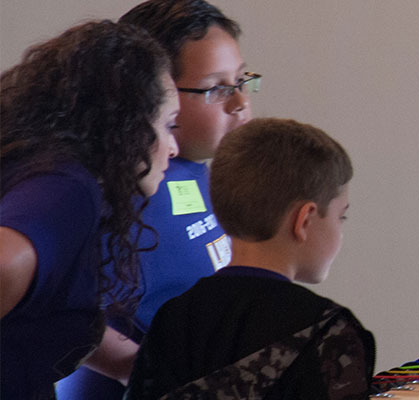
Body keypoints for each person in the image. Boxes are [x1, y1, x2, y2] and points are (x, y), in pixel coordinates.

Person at [58, 1, 255, 397]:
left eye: (242, 80)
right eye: (217, 89)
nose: (240, 102)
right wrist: (136, 367)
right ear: (149, 91)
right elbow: (60, 303)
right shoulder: (115, 188)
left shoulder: (200, 170)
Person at [124, 118, 374, 399]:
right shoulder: (331, 332)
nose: (341, 230)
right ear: (304, 220)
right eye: (341, 217)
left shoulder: (172, 319)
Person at [0, 20, 179, 400]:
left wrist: (141, 367)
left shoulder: (39, 168)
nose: (173, 147)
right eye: (168, 125)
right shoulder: (67, 190)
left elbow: (34, 318)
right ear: (128, 125)